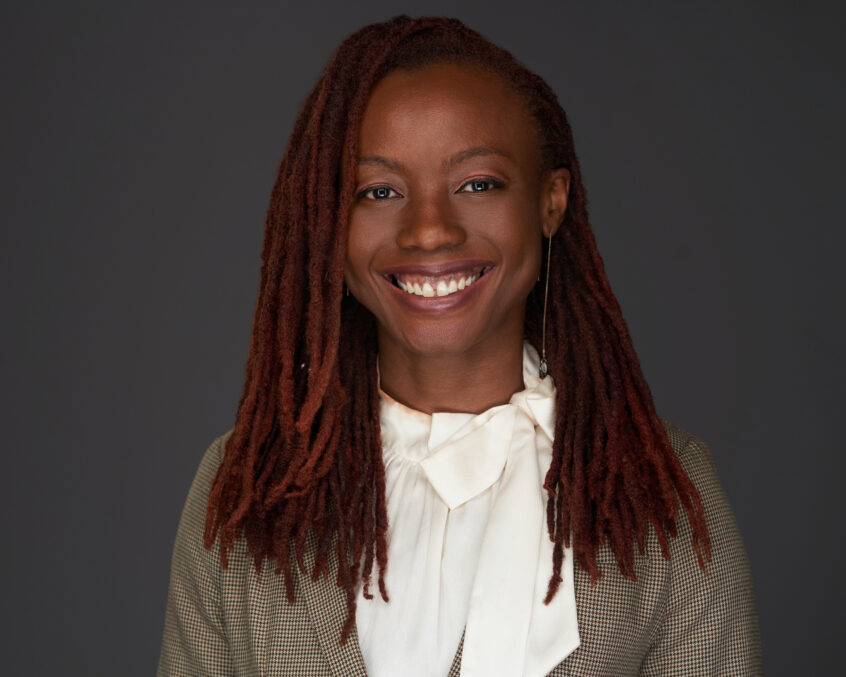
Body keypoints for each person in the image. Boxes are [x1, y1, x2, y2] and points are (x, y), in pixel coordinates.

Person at [158, 16, 762, 677]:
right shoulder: (246, 487)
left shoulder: (663, 493)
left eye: (477, 183)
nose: (428, 231)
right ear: (329, 219)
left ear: (550, 201)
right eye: (378, 191)